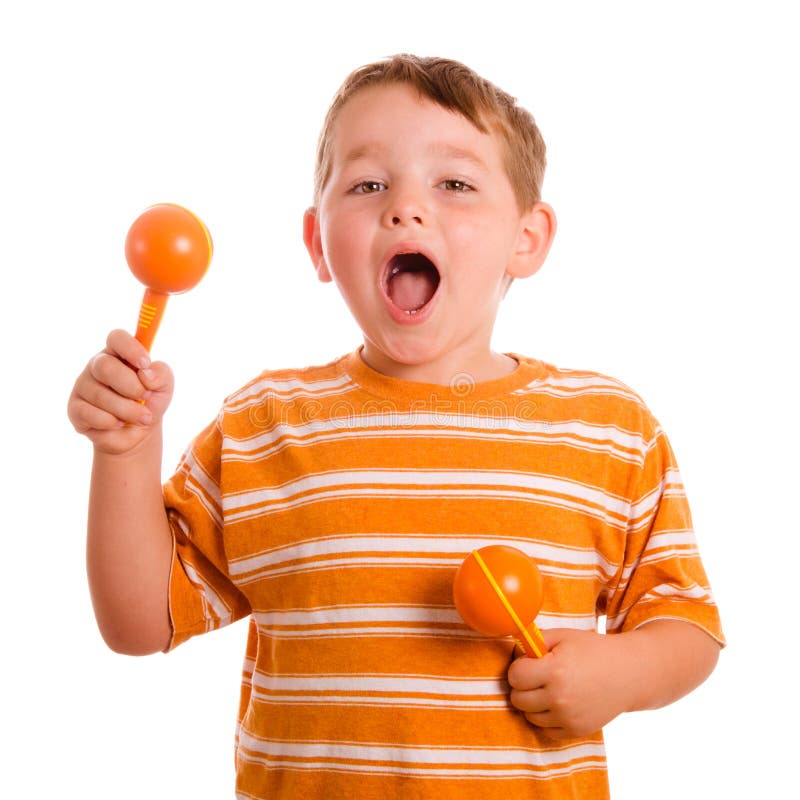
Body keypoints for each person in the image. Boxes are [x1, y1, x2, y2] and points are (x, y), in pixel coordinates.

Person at [67, 54, 724, 799]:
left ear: (527, 237)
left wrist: (624, 673)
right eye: (369, 184)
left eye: (455, 183)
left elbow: (688, 625)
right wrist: (125, 449)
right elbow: (139, 622)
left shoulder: (608, 429)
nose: (406, 208)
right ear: (318, 243)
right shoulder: (265, 426)